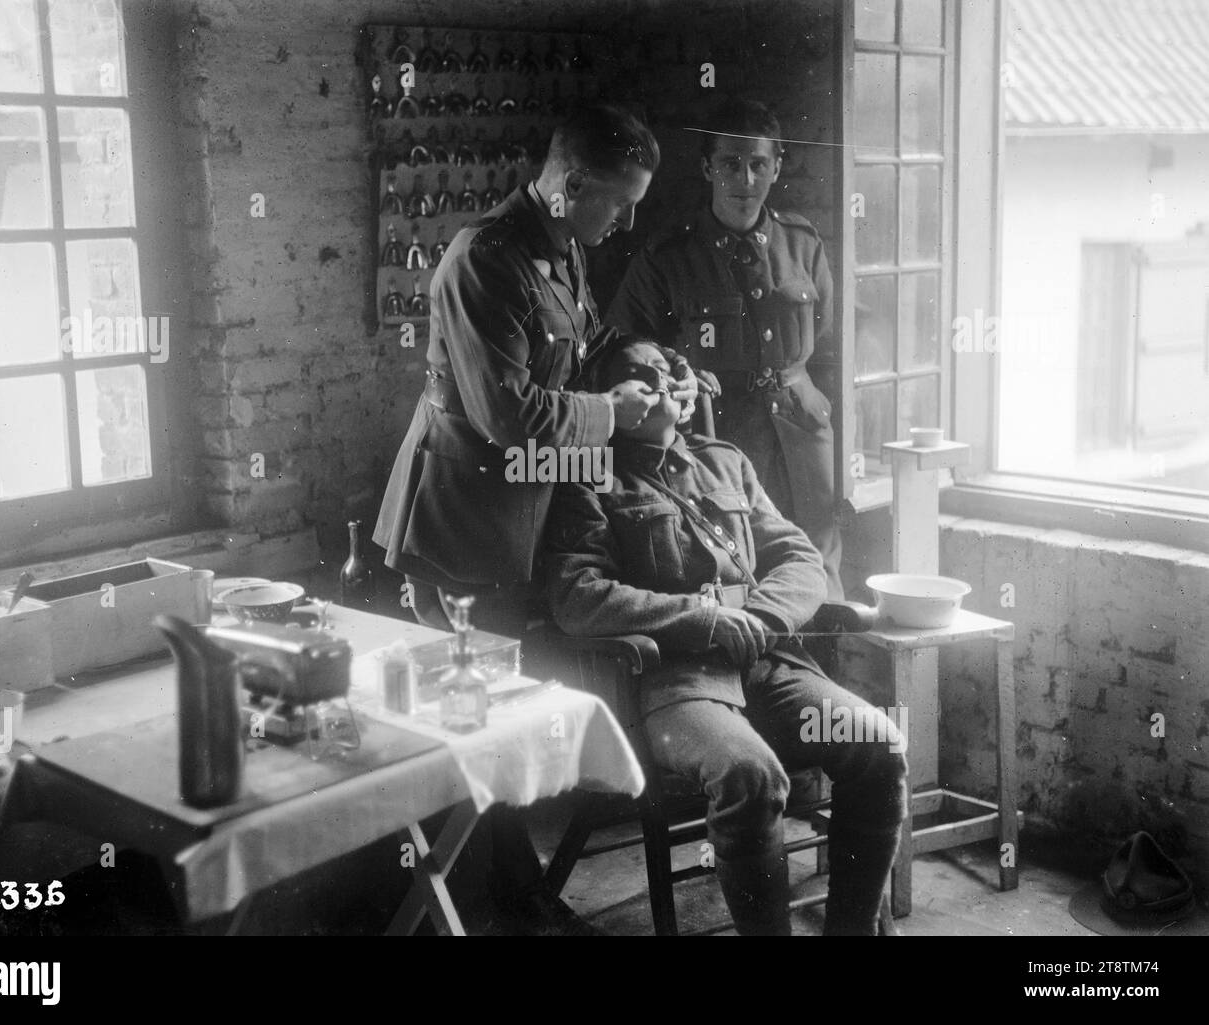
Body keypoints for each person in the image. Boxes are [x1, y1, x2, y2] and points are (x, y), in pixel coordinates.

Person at [373, 103, 699, 934]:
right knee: (474, 716)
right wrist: (614, 416)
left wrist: (659, 373)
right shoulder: (485, 258)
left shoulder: (563, 251)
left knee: (503, 706)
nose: (626, 220)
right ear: (571, 184)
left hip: (523, 510)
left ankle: (510, 897)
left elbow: (583, 351)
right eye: (617, 202)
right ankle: (494, 904)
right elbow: (507, 413)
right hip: (463, 525)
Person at [542, 336, 906, 935]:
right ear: (609, 396)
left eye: (670, 370)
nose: (662, 383)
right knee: (749, 775)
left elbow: (799, 557)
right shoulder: (588, 479)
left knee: (880, 745)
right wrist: (703, 619)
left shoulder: (724, 462)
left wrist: (762, 617)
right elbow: (578, 596)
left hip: (768, 662)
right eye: (640, 375)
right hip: (675, 682)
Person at [605, 96, 844, 598]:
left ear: (777, 167)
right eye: (730, 164)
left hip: (802, 439)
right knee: (742, 569)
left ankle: (819, 674)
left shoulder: (802, 244)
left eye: (759, 164)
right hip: (719, 438)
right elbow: (625, 345)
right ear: (707, 168)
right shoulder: (669, 255)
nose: (746, 179)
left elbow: (826, 344)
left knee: (819, 573)